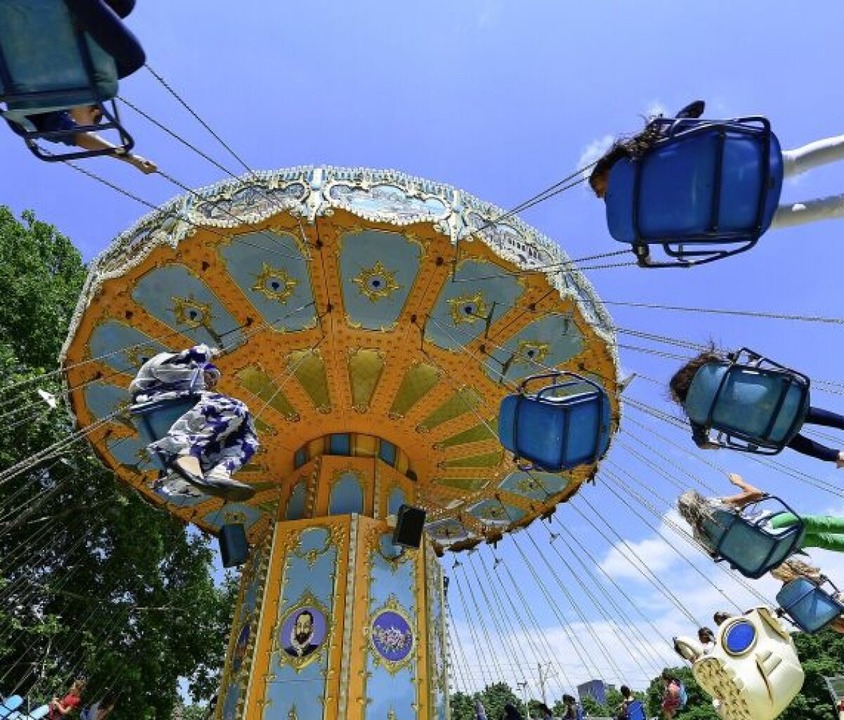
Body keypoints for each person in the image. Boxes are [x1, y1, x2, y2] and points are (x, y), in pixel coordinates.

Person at [588, 103, 844, 229]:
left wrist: (685, 117)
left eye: (600, 189)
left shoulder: (642, 161)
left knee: (793, 163)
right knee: (792, 173)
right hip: (724, 205)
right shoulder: (638, 205)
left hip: (729, 179)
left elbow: (668, 134)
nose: (603, 197)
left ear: (607, 170)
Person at [668, 349, 844, 467]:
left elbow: (702, 443)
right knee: (801, 411)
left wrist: (713, 443)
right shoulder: (715, 370)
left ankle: (836, 456)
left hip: (769, 428)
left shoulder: (695, 412)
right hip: (782, 399)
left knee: (788, 438)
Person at [130, 343, 258, 502]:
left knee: (249, 438)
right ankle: (186, 453)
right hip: (157, 402)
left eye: (214, 380)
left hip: (179, 409)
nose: (211, 381)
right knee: (235, 407)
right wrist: (207, 351)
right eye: (210, 374)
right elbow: (188, 357)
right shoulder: (167, 364)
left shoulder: (194, 387)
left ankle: (218, 473)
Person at [678, 473, 844, 556]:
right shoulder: (716, 507)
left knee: (821, 540)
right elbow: (756, 494)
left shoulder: (699, 536)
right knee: (822, 523)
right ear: (699, 500)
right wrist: (738, 482)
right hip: (770, 528)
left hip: (769, 550)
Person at [8, 104, 157, 174]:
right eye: (87, 124)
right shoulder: (59, 110)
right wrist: (133, 160)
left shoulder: (53, 116)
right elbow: (82, 137)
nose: (78, 124)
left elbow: (77, 135)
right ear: (95, 110)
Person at [769, 557, 844, 634]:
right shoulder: (805, 578)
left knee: (833, 620)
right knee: (839, 600)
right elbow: (822, 580)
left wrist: (781, 610)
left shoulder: (784, 593)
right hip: (828, 608)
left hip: (814, 620)